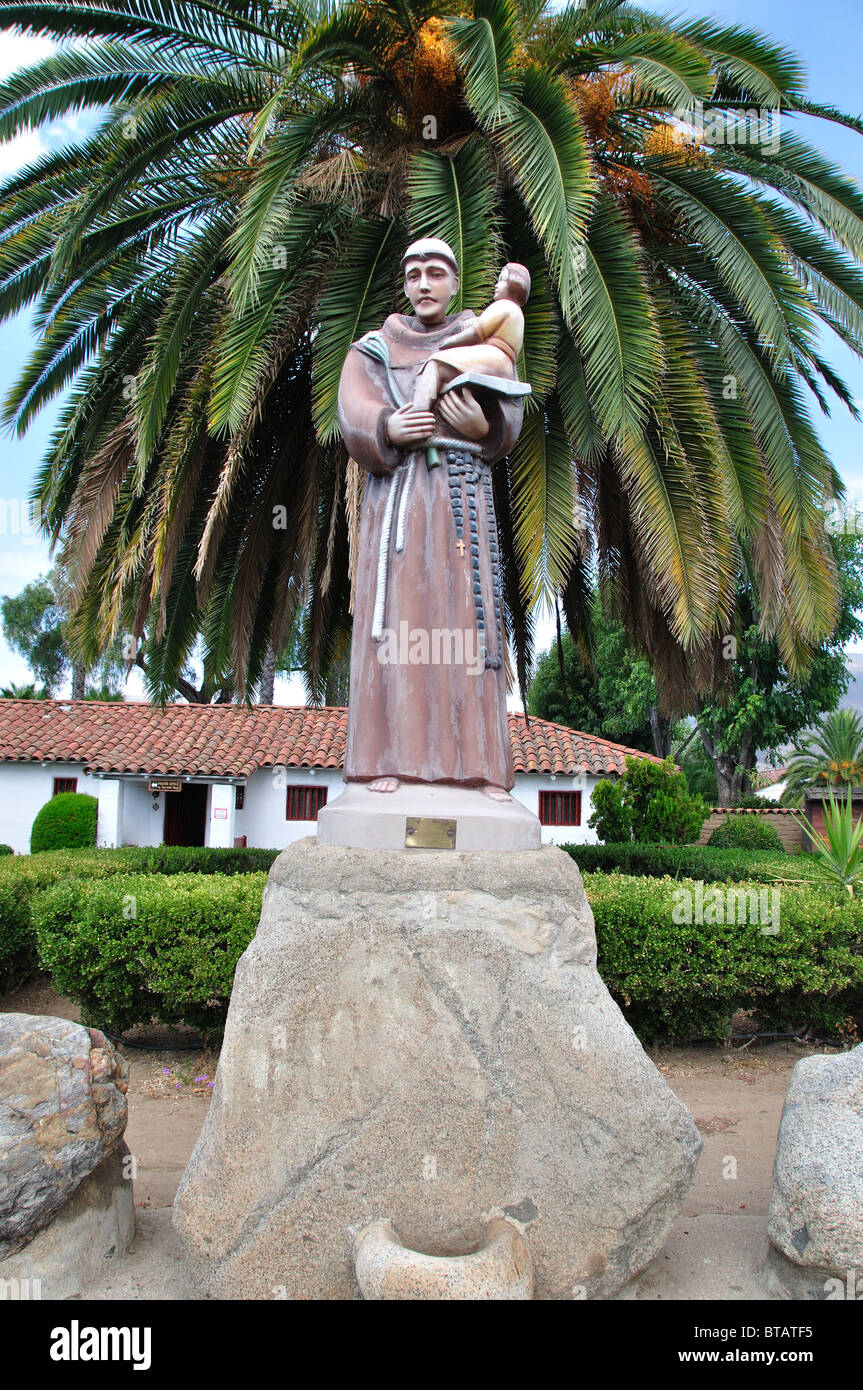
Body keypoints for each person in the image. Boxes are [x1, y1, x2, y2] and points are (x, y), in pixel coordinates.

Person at [336, 237, 527, 799]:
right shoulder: (371, 349)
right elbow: (353, 407)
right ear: (404, 283)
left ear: (454, 283)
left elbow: (507, 410)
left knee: (471, 630)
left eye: (437, 273)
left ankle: (482, 768)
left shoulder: (486, 338)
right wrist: (387, 428)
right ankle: (382, 759)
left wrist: (484, 430)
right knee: (394, 628)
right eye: (415, 273)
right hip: (396, 502)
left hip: (461, 498)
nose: (424, 284)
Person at [412, 263, 531, 414]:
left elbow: (476, 333)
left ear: (515, 284)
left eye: (502, 280)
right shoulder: (516, 312)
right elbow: (476, 325)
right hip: (500, 364)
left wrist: (446, 344)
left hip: (493, 359)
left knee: (434, 364)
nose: (496, 285)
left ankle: (418, 412)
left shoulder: (504, 305)